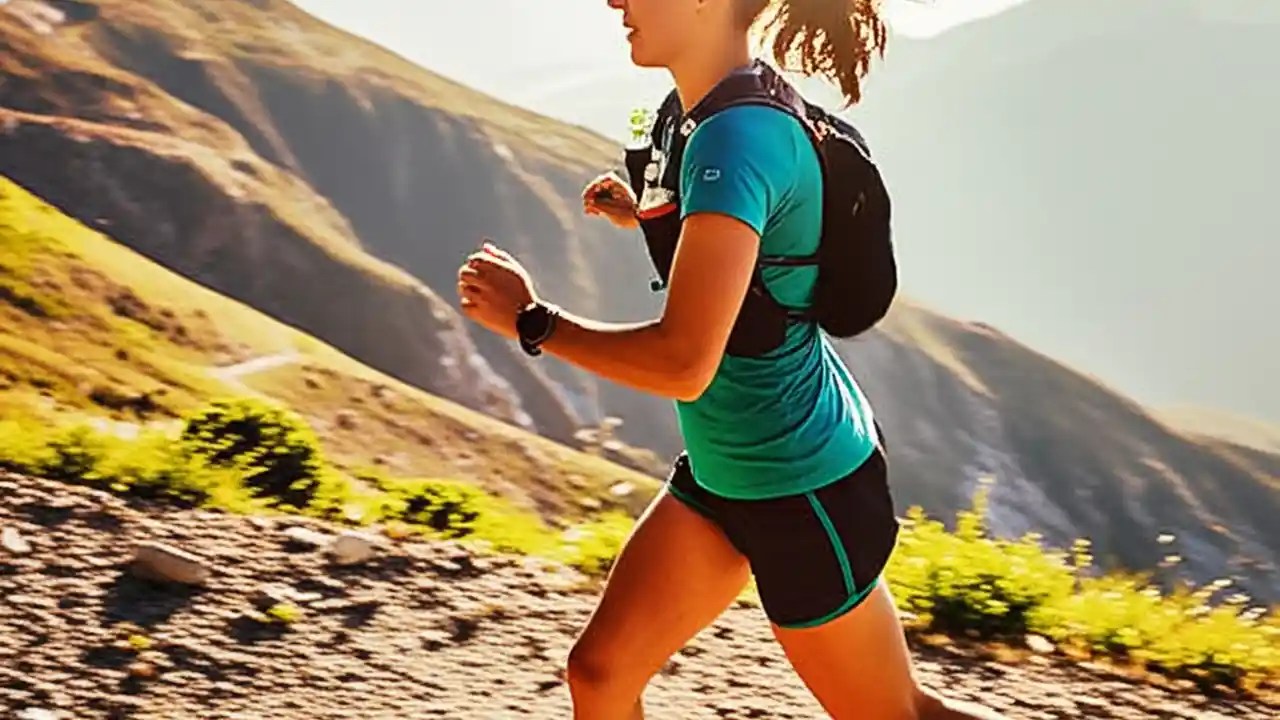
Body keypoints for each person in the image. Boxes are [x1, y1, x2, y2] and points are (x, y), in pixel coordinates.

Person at [456, 1, 1007, 718]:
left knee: (894, 713)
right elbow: (756, 244)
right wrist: (645, 213)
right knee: (598, 674)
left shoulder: (737, 138)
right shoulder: (708, 112)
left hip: (802, 487)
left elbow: (685, 362)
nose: (616, 0)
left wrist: (531, 321)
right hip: (727, 472)